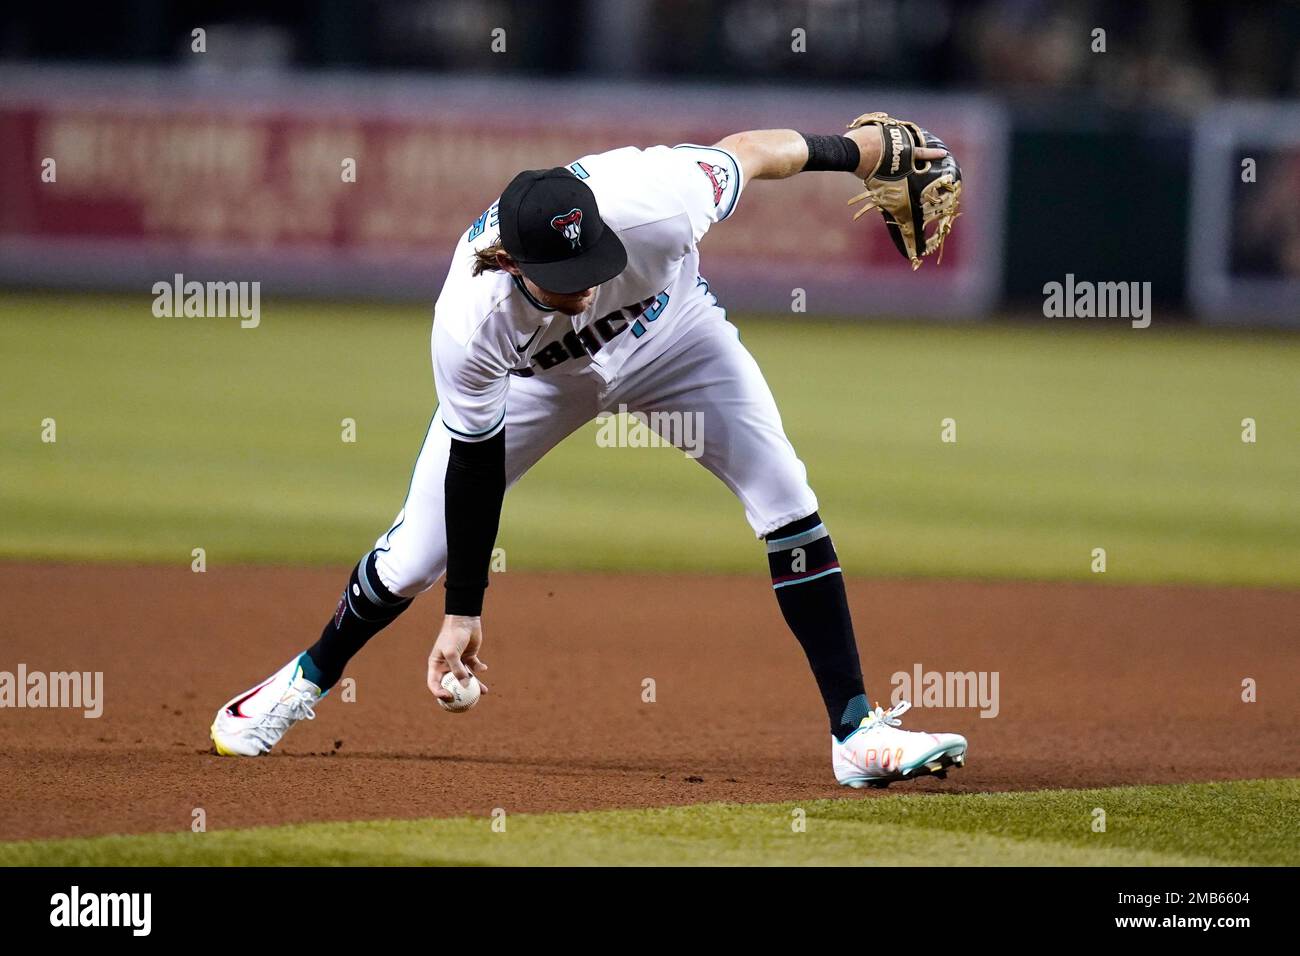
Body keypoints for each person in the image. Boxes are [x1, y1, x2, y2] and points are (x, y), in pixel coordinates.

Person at [209, 121, 968, 788]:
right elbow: (477, 462)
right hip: (540, 383)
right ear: (509, 261)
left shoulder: (659, 197)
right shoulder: (469, 322)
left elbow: (755, 153)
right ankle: (303, 680)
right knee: (413, 558)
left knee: (785, 493)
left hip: (673, 337)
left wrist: (860, 151)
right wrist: (463, 610)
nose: (585, 285)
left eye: (592, 261)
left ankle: (855, 733)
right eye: (563, 279)